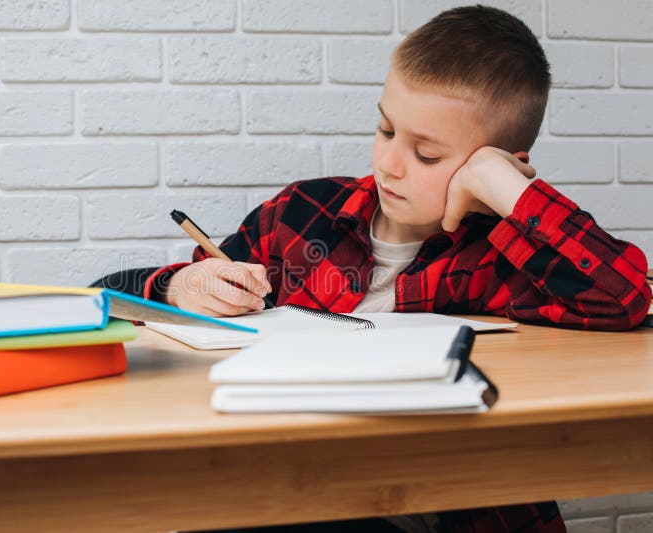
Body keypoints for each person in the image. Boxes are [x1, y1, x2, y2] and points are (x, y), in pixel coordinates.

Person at [92, 5, 652, 532]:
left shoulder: (504, 261)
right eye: (386, 130)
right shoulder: (299, 216)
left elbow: (623, 298)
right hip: (287, 494)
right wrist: (183, 286)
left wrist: (511, 192)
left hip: (449, 509)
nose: (387, 162)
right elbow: (110, 299)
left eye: (427, 155)